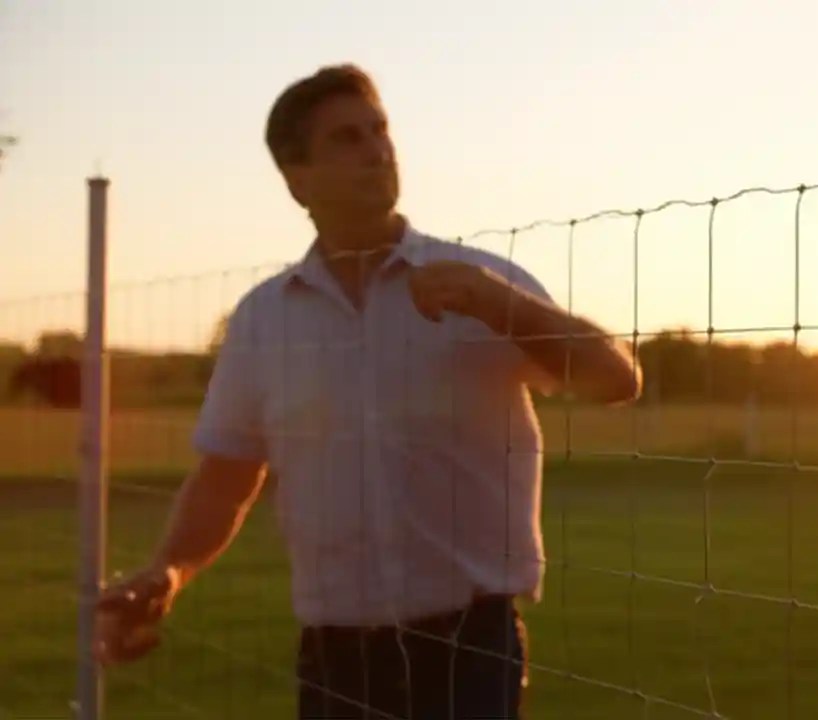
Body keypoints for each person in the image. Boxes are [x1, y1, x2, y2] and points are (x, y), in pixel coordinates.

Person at [94, 63, 641, 719]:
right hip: (335, 656)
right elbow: (227, 475)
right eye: (346, 139)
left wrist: (502, 307)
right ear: (297, 180)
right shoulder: (265, 319)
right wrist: (171, 571)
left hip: (469, 646)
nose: (376, 149)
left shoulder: (478, 283)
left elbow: (616, 380)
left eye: (379, 129)